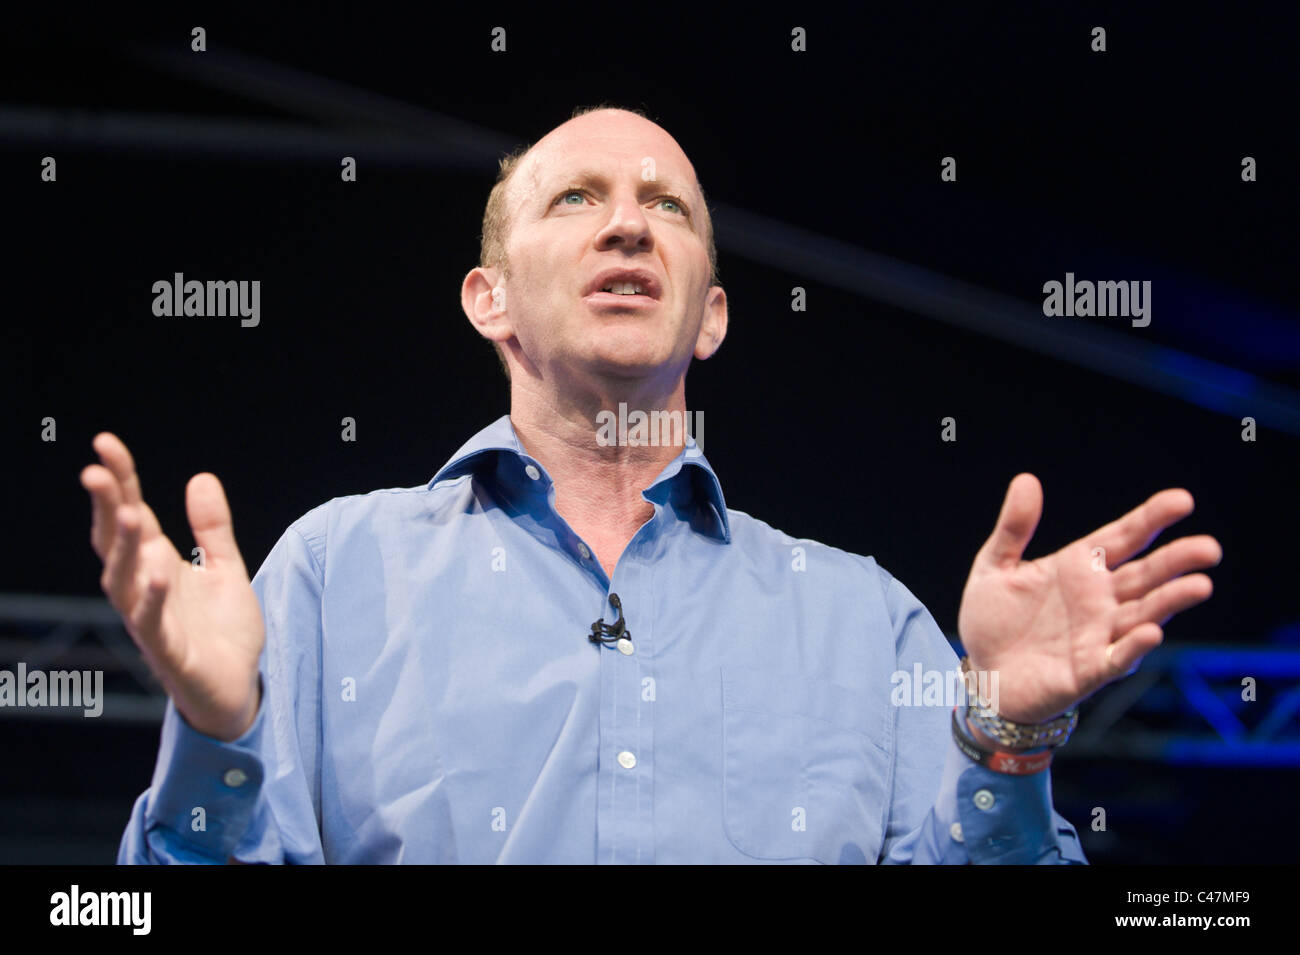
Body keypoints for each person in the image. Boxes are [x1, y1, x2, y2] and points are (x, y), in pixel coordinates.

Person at [83, 106, 1222, 864]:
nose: (628, 222)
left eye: (667, 204)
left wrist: (1006, 738)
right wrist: (217, 735)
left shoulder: (864, 621)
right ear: (488, 299)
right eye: (576, 199)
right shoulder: (337, 574)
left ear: (710, 316)